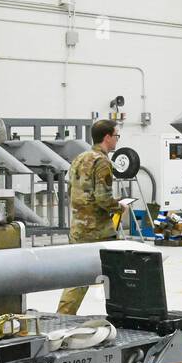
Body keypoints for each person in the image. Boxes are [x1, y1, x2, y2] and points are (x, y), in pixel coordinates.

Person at [56, 119, 121, 315]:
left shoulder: (79, 158)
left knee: (78, 277)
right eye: (116, 136)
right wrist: (119, 206)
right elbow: (103, 198)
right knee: (119, 273)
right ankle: (123, 314)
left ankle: (63, 316)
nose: (117, 140)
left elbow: (72, 191)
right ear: (107, 137)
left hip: (78, 227)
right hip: (98, 230)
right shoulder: (102, 162)